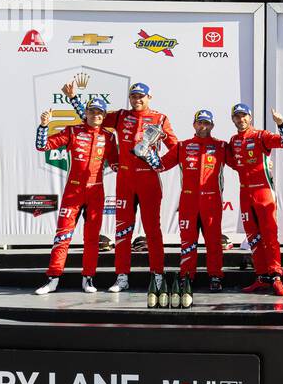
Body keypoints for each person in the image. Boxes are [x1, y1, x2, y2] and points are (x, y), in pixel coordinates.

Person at [65, 78, 178, 295]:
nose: (137, 100)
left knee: (152, 230)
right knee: (122, 230)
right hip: (125, 181)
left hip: (149, 182)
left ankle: (157, 275)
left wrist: (160, 164)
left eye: (141, 96)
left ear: (149, 98)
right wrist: (74, 99)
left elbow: (175, 148)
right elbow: (91, 118)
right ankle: (122, 276)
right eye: (133, 96)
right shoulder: (121, 116)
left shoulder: (160, 118)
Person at [33, 97, 118, 295]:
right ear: (86, 113)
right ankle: (53, 278)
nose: (96, 115)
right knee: (62, 236)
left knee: (92, 238)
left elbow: (114, 163)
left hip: (96, 192)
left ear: (104, 116)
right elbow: (42, 146)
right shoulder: (73, 131)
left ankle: (88, 278)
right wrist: (44, 125)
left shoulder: (109, 136)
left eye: (100, 112)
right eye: (92, 111)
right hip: (74, 191)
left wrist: (129, 166)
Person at [146, 109, 229, 302]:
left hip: (211, 201)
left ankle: (215, 276)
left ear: (212, 126)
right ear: (194, 124)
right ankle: (186, 277)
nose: (203, 126)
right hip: (189, 201)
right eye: (200, 123)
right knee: (187, 241)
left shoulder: (221, 146)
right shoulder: (183, 146)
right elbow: (161, 165)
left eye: (207, 123)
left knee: (214, 241)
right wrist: (148, 151)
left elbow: (241, 163)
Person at [226, 102, 283, 296]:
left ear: (250, 117)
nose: (241, 120)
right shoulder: (233, 140)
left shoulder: (261, 135)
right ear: (233, 119)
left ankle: (276, 278)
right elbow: (232, 162)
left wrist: (281, 124)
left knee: (270, 237)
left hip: (263, 192)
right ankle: (262, 277)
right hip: (245, 194)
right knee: (253, 238)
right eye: (237, 117)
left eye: (244, 116)